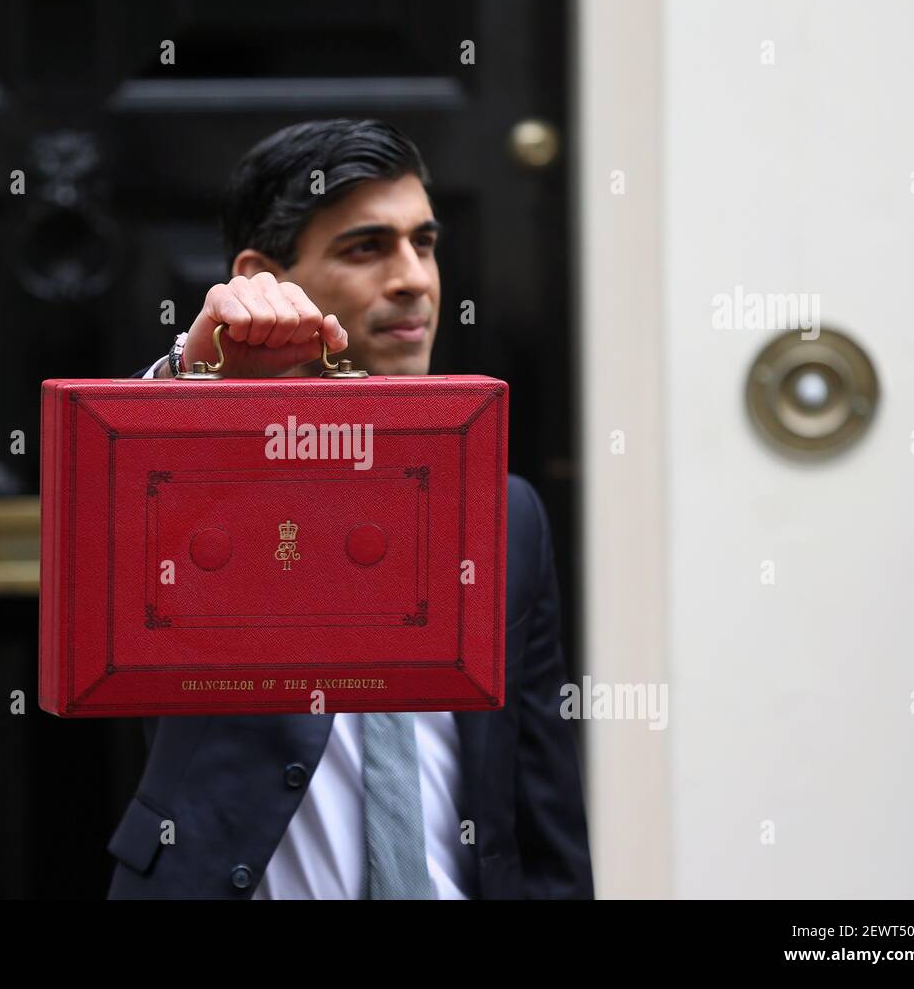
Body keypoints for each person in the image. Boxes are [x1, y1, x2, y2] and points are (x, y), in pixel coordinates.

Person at [107, 118, 592, 899]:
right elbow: (99, 500)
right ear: (267, 276)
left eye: (424, 243)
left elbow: (543, 806)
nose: (414, 278)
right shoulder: (200, 486)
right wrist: (190, 373)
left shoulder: (507, 512)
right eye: (367, 247)